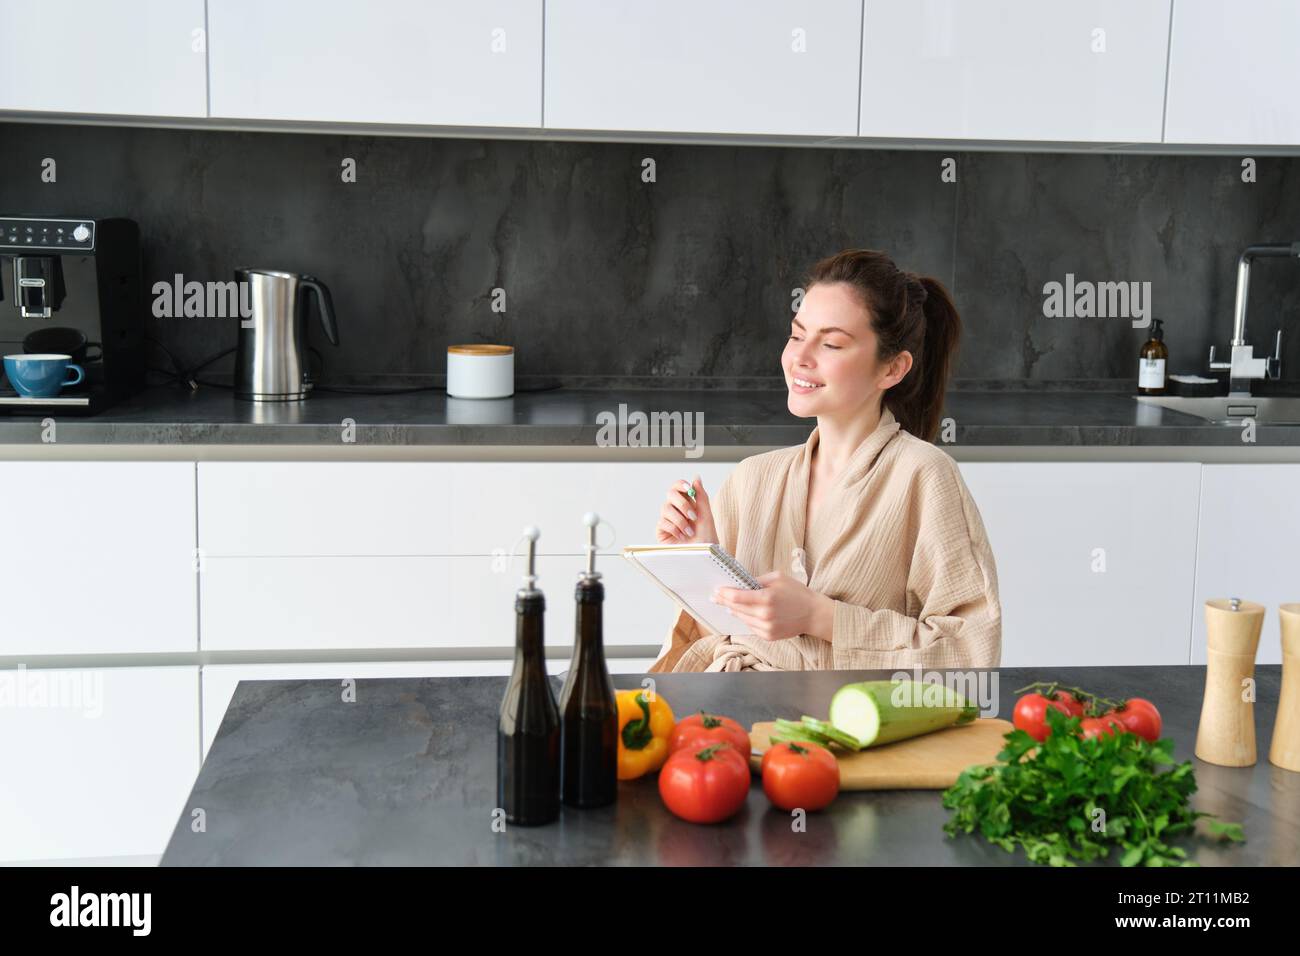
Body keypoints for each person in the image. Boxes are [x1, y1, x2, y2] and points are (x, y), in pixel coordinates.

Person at [649, 249, 1001, 673]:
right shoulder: (752, 479)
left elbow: (971, 653)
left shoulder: (924, 476)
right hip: (738, 718)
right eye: (797, 335)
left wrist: (822, 618)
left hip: (856, 730)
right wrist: (704, 563)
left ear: (892, 369)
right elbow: (712, 640)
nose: (801, 356)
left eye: (831, 343)